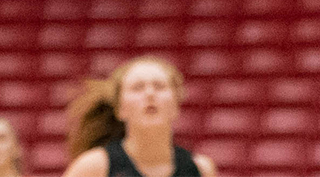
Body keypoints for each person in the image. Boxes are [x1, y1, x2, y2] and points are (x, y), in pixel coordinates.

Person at [61, 57, 216, 177]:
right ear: (120, 109)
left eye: (159, 86)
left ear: (176, 105)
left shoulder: (201, 168)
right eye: (138, 88)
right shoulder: (93, 167)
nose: (150, 94)